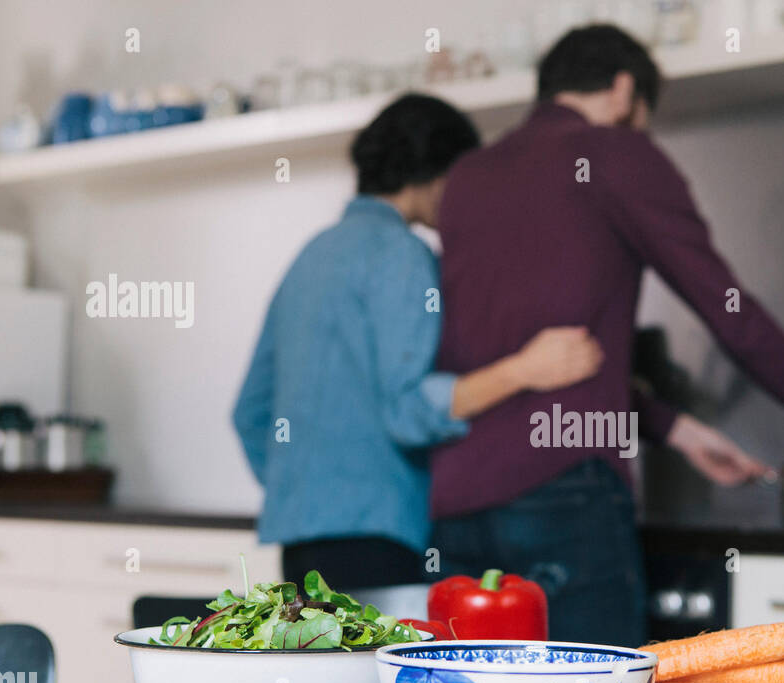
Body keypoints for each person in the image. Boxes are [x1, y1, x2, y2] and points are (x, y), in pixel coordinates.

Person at [428, 25, 784, 647]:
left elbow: (514, 353)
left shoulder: (467, 177)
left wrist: (676, 429)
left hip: (456, 502)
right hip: (564, 493)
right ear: (626, 90)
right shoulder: (617, 153)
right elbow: (725, 305)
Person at [232, 94, 605, 590]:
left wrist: (308, 492)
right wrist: (524, 369)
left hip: (298, 541)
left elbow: (249, 414)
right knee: (387, 670)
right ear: (435, 175)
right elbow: (406, 409)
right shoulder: (403, 254)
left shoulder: (311, 256)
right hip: (380, 542)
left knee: (315, 667)